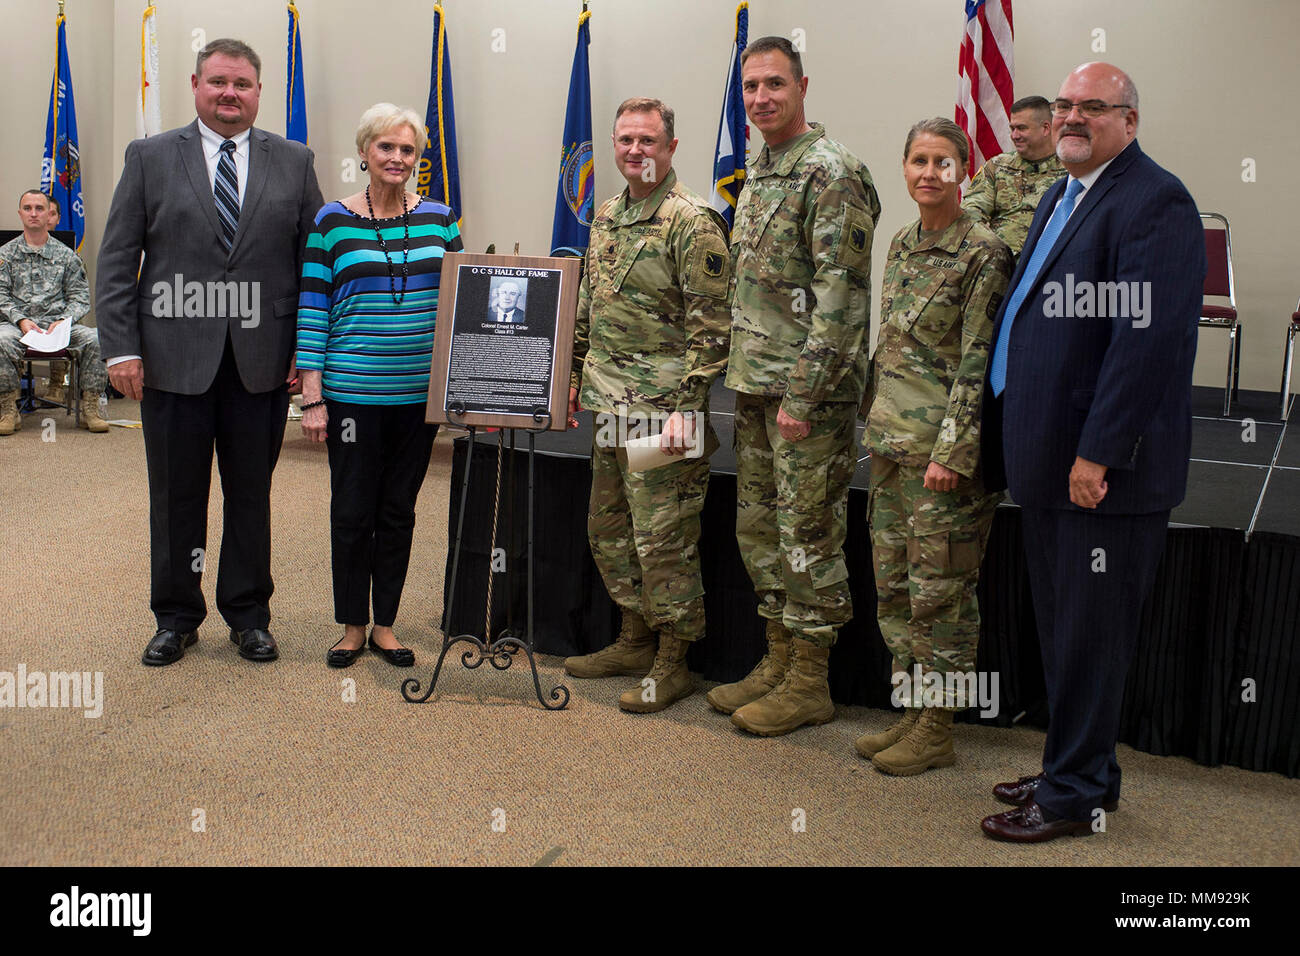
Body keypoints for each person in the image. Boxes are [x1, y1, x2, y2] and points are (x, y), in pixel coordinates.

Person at [978, 63, 1205, 842]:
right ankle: (1080, 770)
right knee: (1070, 629)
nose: (1073, 117)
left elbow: (1148, 344)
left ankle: (1073, 798)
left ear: (1130, 121)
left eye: (1092, 108)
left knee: (1089, 636)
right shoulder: (1062, 192)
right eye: (1066, 106)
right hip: (1047, 456)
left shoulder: (1156, 201)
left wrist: (1099, 453)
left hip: (1100, 472)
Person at [96, 38, 324, 667]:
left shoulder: (295, 160)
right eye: (219, 82)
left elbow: (314, 267)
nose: (230, 94)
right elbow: (117, 259)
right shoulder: (148, 157)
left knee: (251, 493)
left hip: (262, 360)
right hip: (171, 358)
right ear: (196, 84)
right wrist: (120, 349)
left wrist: (306, 356)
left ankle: (249, 615)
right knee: (175, 493)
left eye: (243, 84)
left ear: (258, 91)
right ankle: (175, 616)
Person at [709, 36, 881, 736]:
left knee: (807, 532)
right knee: (761, 528)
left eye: (774, 85)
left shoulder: (830, 171)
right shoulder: (766, 168)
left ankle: (811, 679)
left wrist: (806, 398)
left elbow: (841, 300)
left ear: (803, 86)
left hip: (804, 396)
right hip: (755, 385)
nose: (760, 99)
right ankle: (778, 659)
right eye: (751, 88)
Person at [562, 97, 731, 712]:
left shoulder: (693, 222)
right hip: (610, 403)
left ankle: (672, 658)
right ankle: (633, 637)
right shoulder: (607, 214)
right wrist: (575, 372)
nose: (636, 151)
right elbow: (590, 303)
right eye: (626, 140)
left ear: (671, 148)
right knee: (609, 531)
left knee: (665, 540)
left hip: (665, 413)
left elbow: (712, 328)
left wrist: (690, 406)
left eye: (648, 141)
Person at [857, 119, 1011, 774]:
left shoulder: (984, 252)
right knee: (894, 590)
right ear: (904, 167)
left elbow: (977, 363)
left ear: (963, 171)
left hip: (942, 461)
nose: (928, 173)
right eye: (918, 160)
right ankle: (914, 713)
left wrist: (954, 451)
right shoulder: (901, 242)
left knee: (940, 593)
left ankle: (939, 726)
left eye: (942, 162)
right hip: (892, 446)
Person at [297, 103, 463, 669]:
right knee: (351, 512)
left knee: (399, 511)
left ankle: (386, 625)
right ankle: (351, 626)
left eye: (408, 149)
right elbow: (314, 308)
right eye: (386, 147)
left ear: (419, 157)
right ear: (364, 152)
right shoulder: (331, 221)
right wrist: (312, 397)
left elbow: (461, 307)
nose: (397, 158)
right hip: (351, 398)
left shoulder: (442, 218)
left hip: (418, 399)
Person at [0, 189, 107, 435]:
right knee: (0, 339)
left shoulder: (67, 256)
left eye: (39, 208)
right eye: (28, 208)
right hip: (17, 326)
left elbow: (80, 298)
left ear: (49, 214)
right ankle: (8, 410)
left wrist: (62, 321)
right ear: (20, 214)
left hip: (57, 326)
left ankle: (90, 409)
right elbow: (1, 297)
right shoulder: (5, 255)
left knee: (96, 338)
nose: (33, 213)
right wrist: (22, 320)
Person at [961, 96, 1065, 257]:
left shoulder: (1071, 171)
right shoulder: (998, 166)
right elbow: (971, 211)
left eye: (1021, 128)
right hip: (999, 262)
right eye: (1012, 128)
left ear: (1045, 128)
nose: (1014, 135)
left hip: (1049, 261)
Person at [41, 195, 71, 406]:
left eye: (52, 214)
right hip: (22, 318)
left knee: (65, 329)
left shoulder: (68, 254)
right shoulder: (10, 250)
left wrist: (63, 318)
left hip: (57, 316)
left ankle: (56, 385)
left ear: (58, 218)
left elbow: (77, 295)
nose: (47, 218)